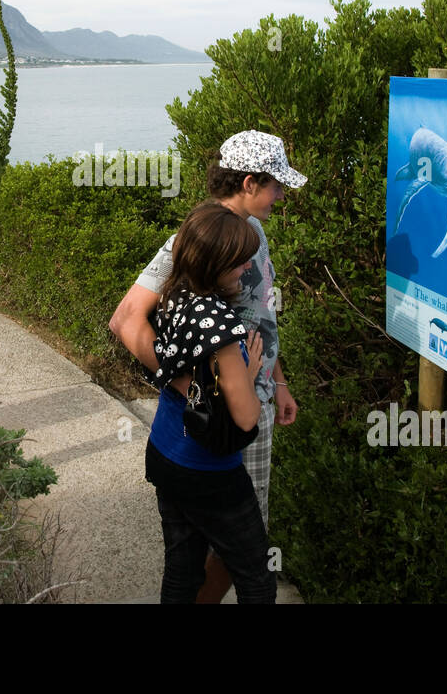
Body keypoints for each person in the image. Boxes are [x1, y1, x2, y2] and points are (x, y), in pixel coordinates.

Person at [110, 129, 305, 602]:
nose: (281, 194)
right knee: (243, 545)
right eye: (276, 184)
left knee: (208, 545)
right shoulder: (194, 238)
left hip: (253, 399)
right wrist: (193, 385)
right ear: (248, 181)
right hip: (226, 419)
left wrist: (277, 380)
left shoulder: (252, 231)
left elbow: (261, 309)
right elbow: (126, 319)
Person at [142, 201, 275, 603]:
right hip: (210, 473)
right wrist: (249, 376)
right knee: (256, 577)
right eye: (238, 263)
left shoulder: (173, 295)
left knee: (182, 572)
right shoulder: (223, 330)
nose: (244, 270)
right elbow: (247, 417)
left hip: (164, 453)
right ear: (216, 263)